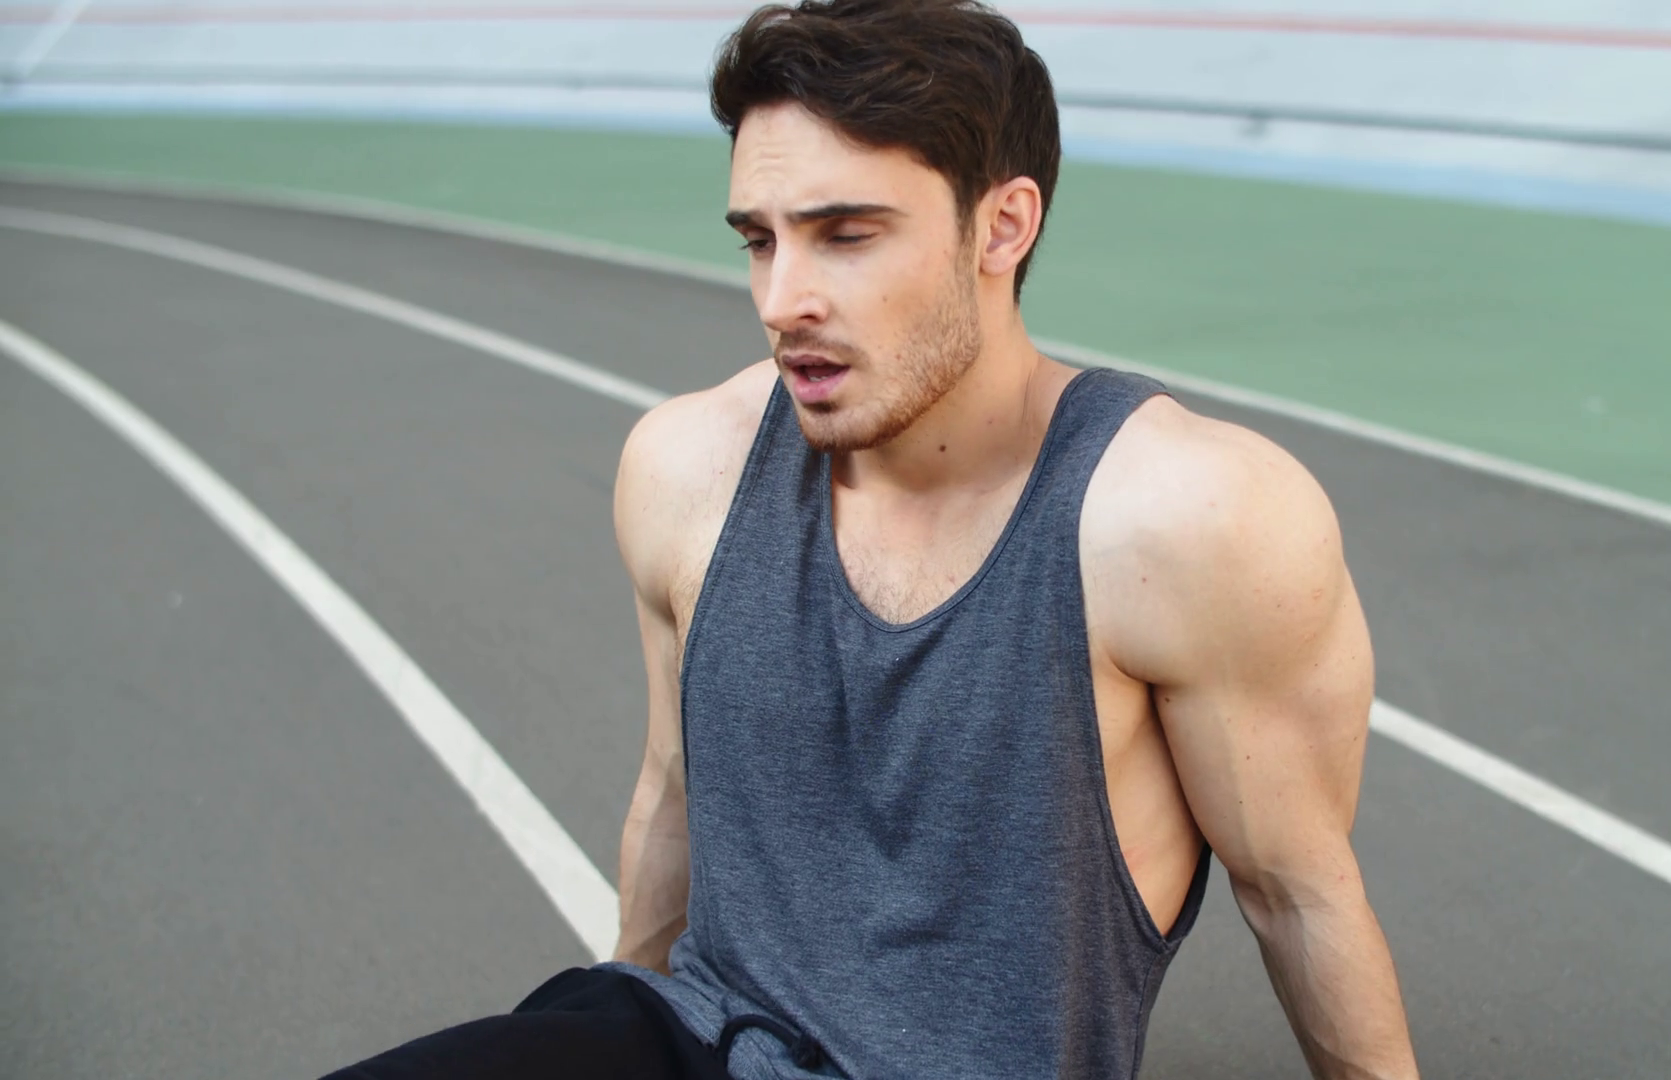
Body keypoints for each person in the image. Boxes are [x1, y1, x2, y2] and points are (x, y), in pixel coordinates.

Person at [327, 1, 1418, 1077]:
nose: (782, 299)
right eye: (760, 240)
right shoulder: (688, 467)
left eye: (845, 235)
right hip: (693, 1038)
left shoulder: (1184, 516)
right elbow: (673, 791)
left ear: (1003, 226)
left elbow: (1297, 896)